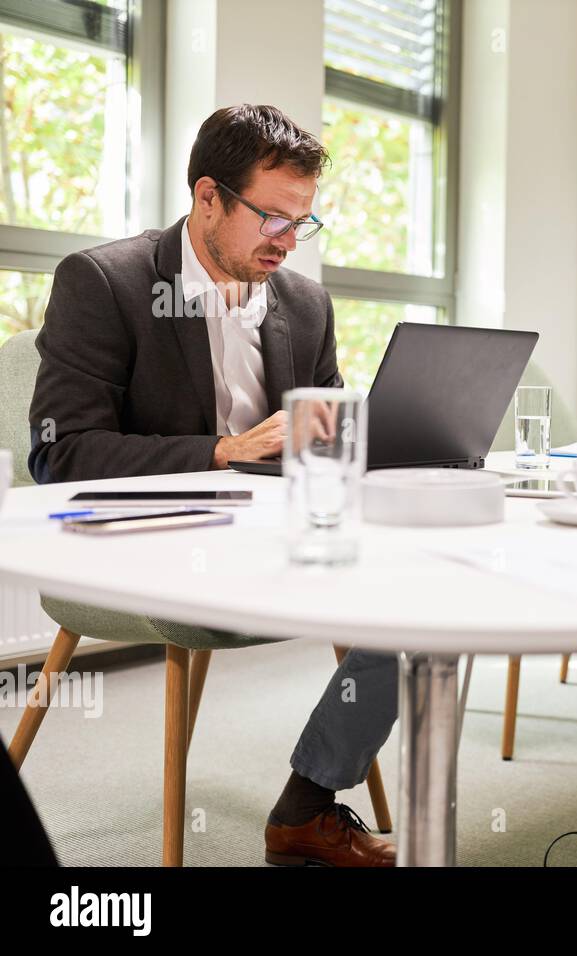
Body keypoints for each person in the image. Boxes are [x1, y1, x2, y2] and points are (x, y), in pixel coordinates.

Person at [28, 104, 398, 866]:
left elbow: (327, 430)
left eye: (303, 222)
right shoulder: (106, 282)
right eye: (271, 217)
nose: (287, 242)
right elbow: (60, 457)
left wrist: (371, 448)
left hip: (279, 531)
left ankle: (306, 803)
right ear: (207, 198)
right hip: (156, 541)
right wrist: (225, 451)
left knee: (419, 592)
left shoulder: (303, 302)